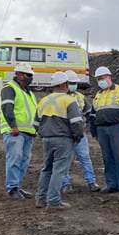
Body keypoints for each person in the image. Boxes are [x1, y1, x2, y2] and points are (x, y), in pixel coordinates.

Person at [34, 71, 85, 209]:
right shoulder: (69, 101)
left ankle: (41, 198)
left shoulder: (43, 101)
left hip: (46, 139)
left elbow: (36, 123)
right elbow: (76, 122)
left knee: (47, 169)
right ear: (64, 84)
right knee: (59, 170)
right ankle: (54, 201)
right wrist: (77, 137)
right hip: (63, 139)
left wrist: (43, 134)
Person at [91, 66, 119, 194]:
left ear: (109, 77)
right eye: (98, 79)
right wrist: (94, 131)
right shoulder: (98, 95)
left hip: (117, 128)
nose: (101, 81)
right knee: (107, 157)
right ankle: (111, 184)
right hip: (102, 129)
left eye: (102, 78)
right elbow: (93, 114)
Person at [0, 62, 38, 200]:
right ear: (20, 75)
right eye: (28, 75)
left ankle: (17, 186)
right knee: (14, 158)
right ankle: (12, 188)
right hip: (15, 131)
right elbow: (7, 107)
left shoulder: (29, 92)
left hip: (27, 131)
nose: (30, 77)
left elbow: (34, 112)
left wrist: (35, 129)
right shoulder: (10, 88)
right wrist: (13, 126)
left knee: (24, 160)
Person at [59, 70, 101, 193]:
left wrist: (88, 125)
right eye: (71, 83)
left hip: (80, 133)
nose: (73, 85)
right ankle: (66, 183)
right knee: (64, 159)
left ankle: (91, 182)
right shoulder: (59, 97)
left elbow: (89, 112)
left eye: (75, 83)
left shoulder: (80, 97)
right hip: (65, 134)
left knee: (85, 157)